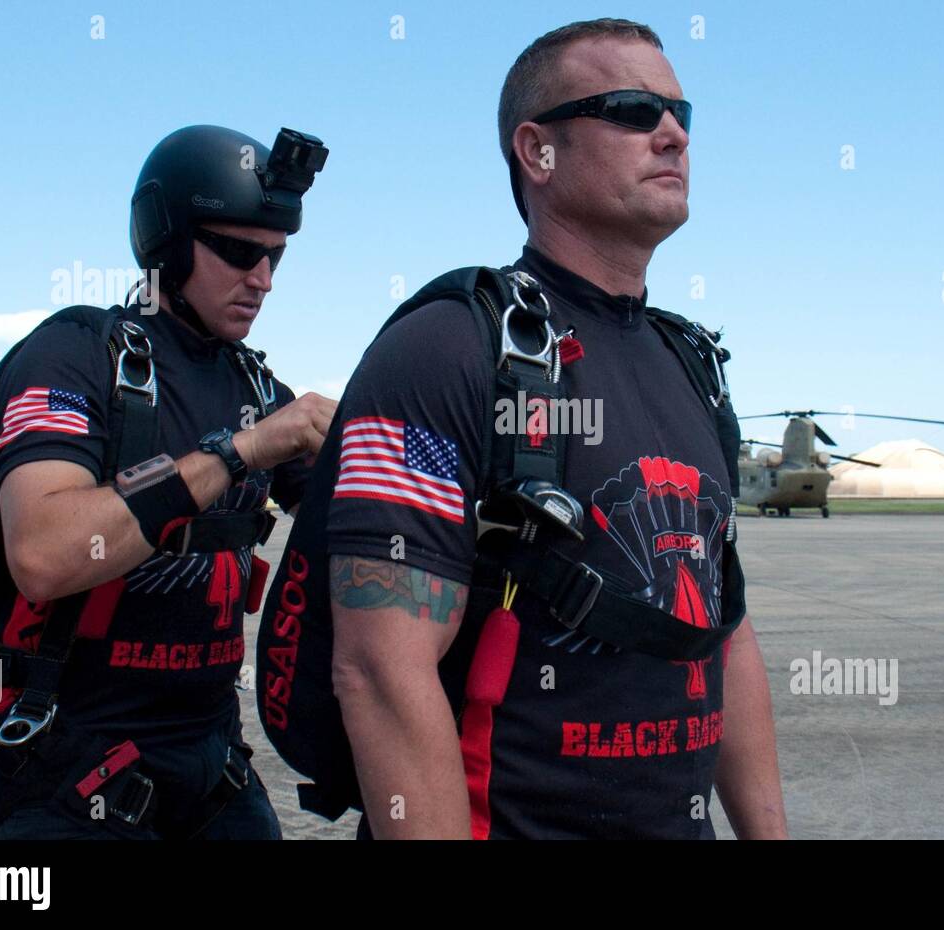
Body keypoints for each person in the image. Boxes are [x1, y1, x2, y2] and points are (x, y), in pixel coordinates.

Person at [323, 19, 788, 839]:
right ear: (536, 151)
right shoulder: (445, 348)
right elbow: (379, 670)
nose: (673, 132)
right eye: (633, 109)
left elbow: (726, 632)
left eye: (681, 111)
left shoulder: (694, 363)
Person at [0, 124, 336, 839]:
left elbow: (373, 522)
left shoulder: (257, 386)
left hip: (215, 763)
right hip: (68, 765)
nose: (261, 279)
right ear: (166, 242)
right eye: (237, 252)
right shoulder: (74, 355)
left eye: (274, 258)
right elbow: (43, 555)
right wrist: (240, 451)